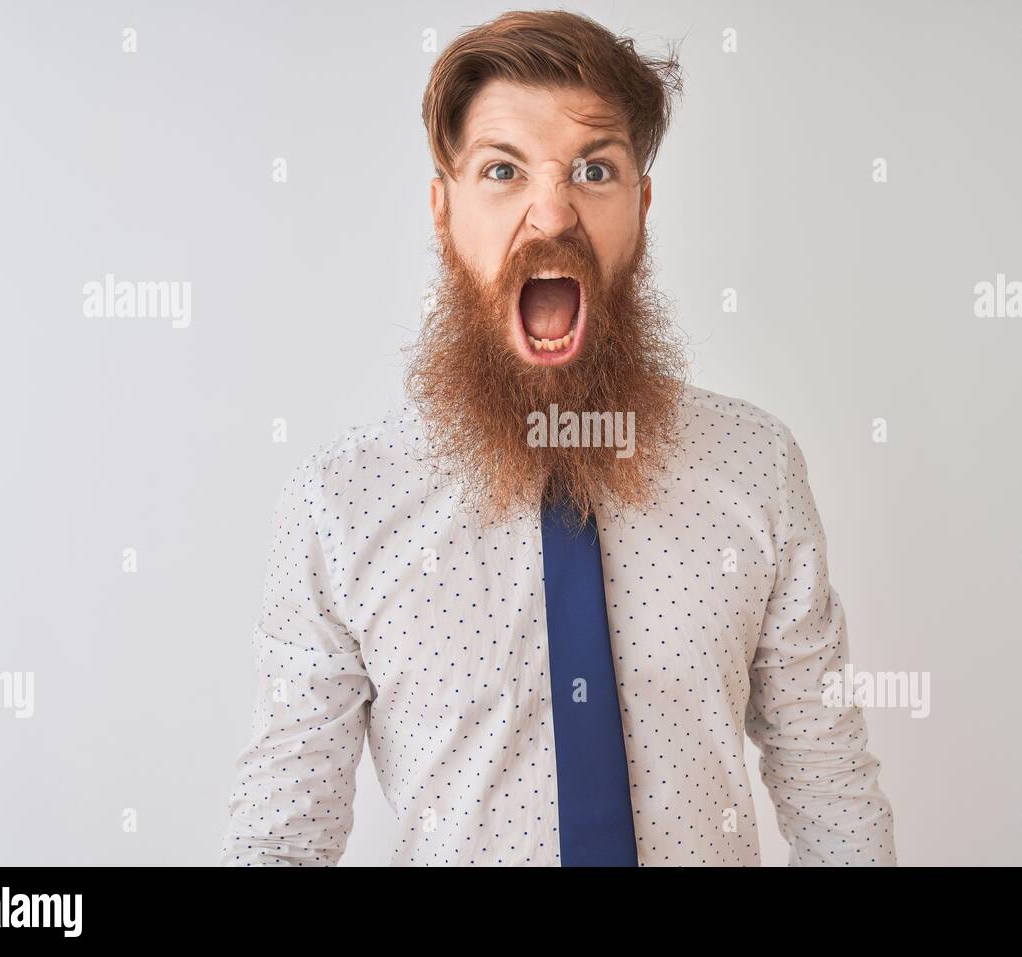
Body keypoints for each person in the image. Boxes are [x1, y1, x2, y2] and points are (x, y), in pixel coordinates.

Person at [220, 9, 896, 867]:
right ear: (443, 209)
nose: (551, 213)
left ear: (642, 208)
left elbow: (831, 791)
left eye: (594, 169)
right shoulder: (340, 501)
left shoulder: (755, 465)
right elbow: (281, 838)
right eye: (503, 170)